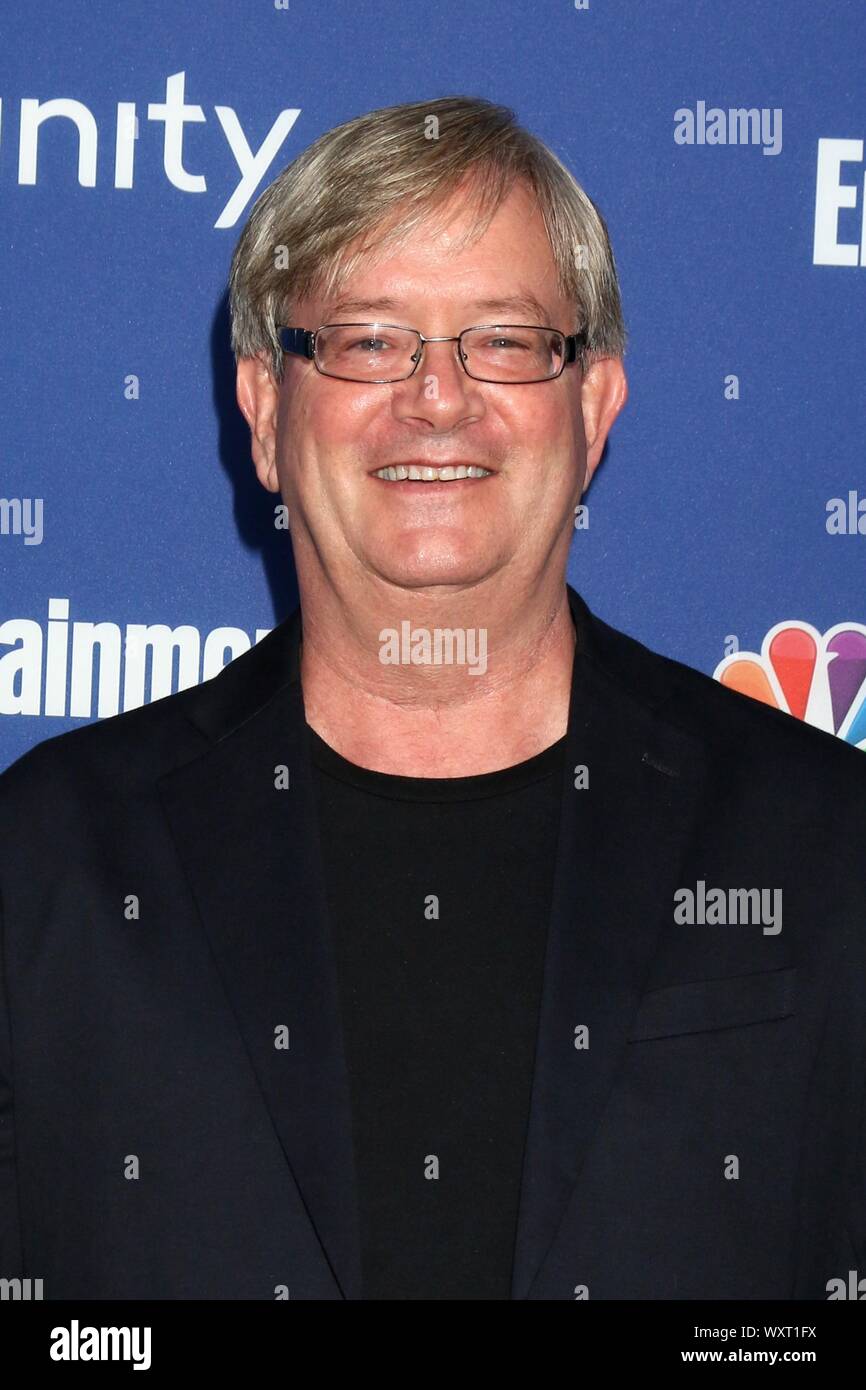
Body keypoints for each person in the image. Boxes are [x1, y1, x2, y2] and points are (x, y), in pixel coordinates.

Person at [1, 94, 864, 1301]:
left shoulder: (822, 838)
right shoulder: (51, 859)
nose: (437, 397)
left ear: (594, 406)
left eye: (503, 340)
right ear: (263, 411)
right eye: (365, 339)